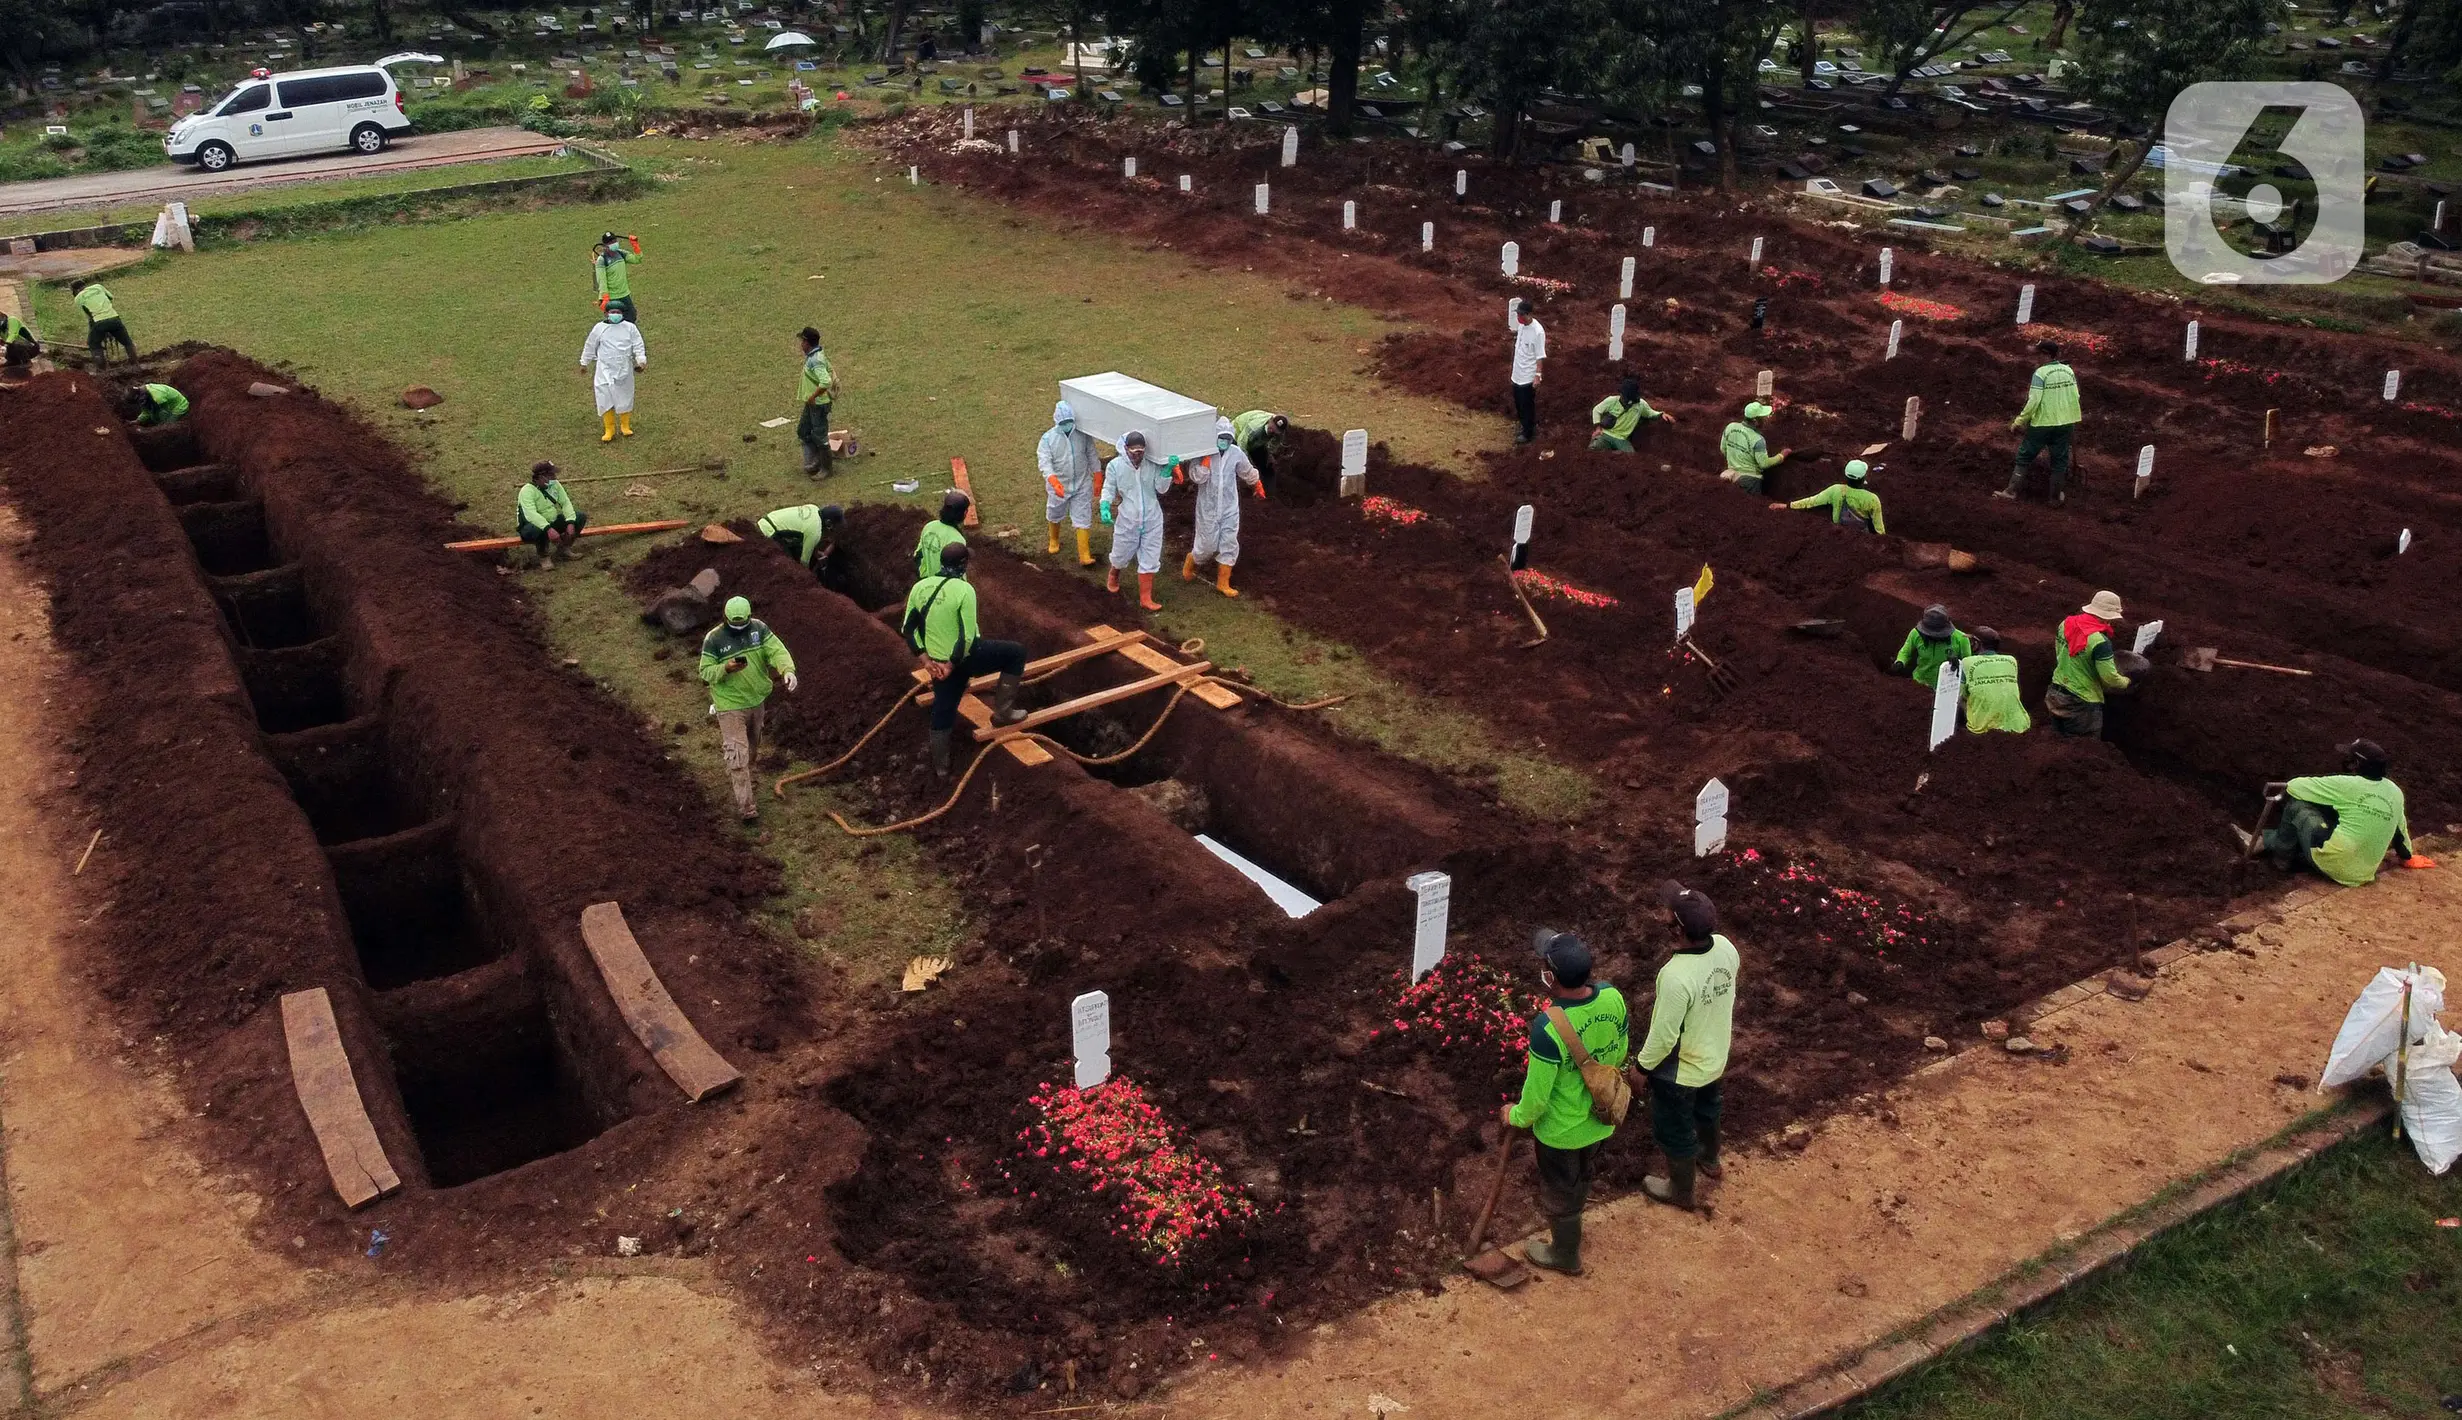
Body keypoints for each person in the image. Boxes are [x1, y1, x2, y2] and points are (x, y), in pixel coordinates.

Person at [1501, 927, 1629, 1275]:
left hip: (1561, 1133)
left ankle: (1565, 1253)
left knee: (1559, 1192)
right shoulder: (1613, 997)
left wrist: (1513, 1116)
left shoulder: (1548, 1029)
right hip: (1601, 1120)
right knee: (1583, 1175)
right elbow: (1620, 1051)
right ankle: (1575, 1211)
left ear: (1550, 977)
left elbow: (1537, 1100)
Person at [1635, 881, 1739, 1212]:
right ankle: (1710, 1160)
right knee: (1708, 1108)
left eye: (1668, 914)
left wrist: (1641, 1069)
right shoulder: (1725, 947)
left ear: (1676, 929)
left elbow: (1664, 1035)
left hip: (1682, 1070)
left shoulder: (1675, 975)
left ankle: (1680, 1191)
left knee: (1675, 1127)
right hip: (1715, 1055)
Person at [904, 543, 1029, 778]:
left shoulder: (920, 587)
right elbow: (967, 635)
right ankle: (1003, 713)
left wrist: (927, 662)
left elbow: (908, 629)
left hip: (937, 662)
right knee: (1016, 653)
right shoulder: (964, 590)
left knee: (944, 708)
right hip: (963, 658)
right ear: (963, 565)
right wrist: (952, 665)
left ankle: (942, 767)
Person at [2239, 739, 2434, 885]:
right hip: (2363, 873)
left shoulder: (2347, 784)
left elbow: (2294, 786)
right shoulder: (2395, 792)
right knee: (2334, 818)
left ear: (2357, 764)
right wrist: (2407, 859)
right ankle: (2277, 843)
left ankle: (2278, 858)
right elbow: (2400, 832)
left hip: (2333, 864)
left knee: (2297, 806)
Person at [699, 596, 797, 821]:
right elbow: (705, 673)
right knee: (738, 755)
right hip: (729, 706)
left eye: (743, 625)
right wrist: (725, 668)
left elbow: (776, 651)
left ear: (750, 617)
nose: (739, 630)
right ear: (725, 619)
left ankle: (745, 777)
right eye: (734, 626)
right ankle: (747, 808)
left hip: (756, 702)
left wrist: (787, 670)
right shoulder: (713, 639)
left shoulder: (759, 629)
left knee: (752, 751)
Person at [1183, 416, 1263, 598]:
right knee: (1206, 547)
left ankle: (1223, 582)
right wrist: (1204, 463)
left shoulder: (1235, 453)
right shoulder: (1203, 454)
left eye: (1227, 439)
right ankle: (1191, 560)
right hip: (1208, 509)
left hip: (1229, 507)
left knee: (1229, 543)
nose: (1224, 442)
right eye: (1221, 438)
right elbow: (1197, 478)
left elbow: (1247, 470)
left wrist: (1257, 484)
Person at [1995, 338, 2083, 504]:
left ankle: (2011, 491)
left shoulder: (2040, 374)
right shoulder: (2068, 371)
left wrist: (2019, 421)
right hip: (2065, 424)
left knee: (2025, 455)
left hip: (2042, 424)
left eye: (2038, 355)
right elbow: (2076, 396)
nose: (2035, 359)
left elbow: (2034, 401)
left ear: (2046, 355)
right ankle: (2055, 499)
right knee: (2060, 461)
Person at [1100, 430, 1173, 612]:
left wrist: (1167, 471)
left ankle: (1145, 598)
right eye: (1134, 452)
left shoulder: (1151, 464)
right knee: (1121, 553)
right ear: (1126, 449)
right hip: (1128, 519)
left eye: (1141, 452)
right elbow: (1109, 487)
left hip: (1152, 518)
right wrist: (1105, 505)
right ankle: (1114, 574)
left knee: (1151, 555)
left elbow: (1161, 489)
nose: (1138, 456)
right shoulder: (1115, 466)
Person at [2047, 589, 2131, 738]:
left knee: (2057, 743)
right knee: (2084, 750)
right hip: (2081, 703)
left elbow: (2059, 651)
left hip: (2056, 693)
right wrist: (2126, 682)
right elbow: (2109, 678)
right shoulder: (2100, 642)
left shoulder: (2065, 624)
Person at [1039, 400, 1100, 566]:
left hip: (1081, 482)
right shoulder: (1047, 439)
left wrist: (1098, 478)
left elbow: (1092, 455)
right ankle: (1054, 539)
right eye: (1063, 423)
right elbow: (1045, 463)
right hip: (1059, 484)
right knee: (1055, 511)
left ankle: (1084, 554)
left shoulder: (1082, 435)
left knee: (1083, 515)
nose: (1066, 425)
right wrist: (1054, 481)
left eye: (1069, 422)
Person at [578, 309, 647, 442]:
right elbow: (590, 345)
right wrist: (584, 362)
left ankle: (625, 426)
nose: (615, 315)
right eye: (612, 312)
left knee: (625, 396)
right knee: (604, 397)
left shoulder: (630, 328)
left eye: (618, 312)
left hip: (623, 368)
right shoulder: (599, 328)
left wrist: (641, 361)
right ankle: (609, 429)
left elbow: (638, 344)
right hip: (604, 369)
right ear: (606, 314)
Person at [1771, 458, 1883, 532]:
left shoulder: (1836, 490)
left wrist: (1787, 506)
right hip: (1862, 539)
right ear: (1863, 477)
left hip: (1839, 533)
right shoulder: (1872, 499)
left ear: (1846, 476)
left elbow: (1811, 501)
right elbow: (1879, 529)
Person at [758, 502, 847, 590]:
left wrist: (815, 552)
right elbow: (804, 562)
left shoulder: (814, 508)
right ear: (828, 523)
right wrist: (808, 579)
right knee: (788, 564)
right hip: (768, 531)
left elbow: (806, 532)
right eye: (835, 526)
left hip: (768, 521)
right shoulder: (815, 533)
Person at [1958, 627, 2031, 734]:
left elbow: (1960, 696)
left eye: (1972, 641)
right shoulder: (2011, 661)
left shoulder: (1967, 662)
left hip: (1982, 728)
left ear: (1977, 644)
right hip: (2018, 726)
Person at [516, 460, 587, 567]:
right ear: (540, 477)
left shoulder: (555, 485)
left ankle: (564, 549)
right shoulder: (526, 491)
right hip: (530, 528)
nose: (554, 478)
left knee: (580, 517)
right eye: (551, 475)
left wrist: (570, 522)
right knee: (538, 528)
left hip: (551, 522)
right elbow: (531, 515)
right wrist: (548, 529)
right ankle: (543, 556)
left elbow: (565, 502)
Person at [1891, 604, 1972, 689]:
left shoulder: (1961, 638)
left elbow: (1968, 665)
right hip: (1919, 684)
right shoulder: (1915, 633)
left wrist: (1958, 663)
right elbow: (1905, 652)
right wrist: (1900, 662)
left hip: (1947, 687)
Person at [1719, 402, 1790, 494]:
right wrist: (1781, 456)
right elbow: (1764, 464)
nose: (1765, 420)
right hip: (1749, 481)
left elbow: (1723, 449)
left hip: (1730, 475)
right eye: (1763, 418)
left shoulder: (1730, 427)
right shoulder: (1758, 439)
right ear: (1755, 421)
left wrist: (1735, 460)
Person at [1589, 376, 1673, 451]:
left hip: (1622, 439)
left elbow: (1650, 413)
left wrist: (1662, 414)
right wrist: (1598, 428)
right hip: (1606, 434)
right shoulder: (1612, 401)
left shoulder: (1640, 405)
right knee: (1595, 448)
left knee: (1630, 459)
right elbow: (1596, 410)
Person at [795, 327, 836, 475]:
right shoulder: (814, 356)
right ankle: (816, 460)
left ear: (807, 343)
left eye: (803, 341)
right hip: (812, 403)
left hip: (818, 404)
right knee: (803, 431)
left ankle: (826, 468)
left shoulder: (816, 360)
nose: (801, 345)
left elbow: (825, 382)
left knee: (820, 436)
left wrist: (813, 396)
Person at [71, 279, 135, 366]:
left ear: (76, 290)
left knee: (93, 344)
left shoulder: (78, 298)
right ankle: (135, 363)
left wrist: (97, 330)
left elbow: (89, 315)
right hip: (115, 318)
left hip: (98, 322)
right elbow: (110, 297)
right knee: (127, 342)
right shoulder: (98, 287)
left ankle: (101, 369)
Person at [1509, 298, 1547, 445]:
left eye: (1521, 314)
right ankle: (1523, 425)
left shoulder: (1538, 332)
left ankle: (1528, 432)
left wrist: (1537, 376)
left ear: (1529, 314)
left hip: (1528, 375)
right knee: (1518, 402)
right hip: (1517, 372)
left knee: (1526, 404)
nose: (1519, 317)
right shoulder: (1522, 327)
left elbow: (1539, 356)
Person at [914, 489, 969, 581]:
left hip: (926, 580)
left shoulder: (929, 526)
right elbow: (956, 571)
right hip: (944, 585)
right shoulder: (957, 538)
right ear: (964, 513)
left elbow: (918, 555)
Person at [1231, 409, 1289, 489]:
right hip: (1236, 435)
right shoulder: (1254, 428)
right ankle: (1241, 487)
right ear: (1270, 421)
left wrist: (1269, 455)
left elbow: (1274, 444)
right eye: (1271, 428)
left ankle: (1267, 490)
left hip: (1257, 441)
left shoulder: (1279, 434)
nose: (1272, 431)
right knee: (1241, 465)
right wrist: (1249, 464)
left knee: (1266, 466)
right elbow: (1241, 444)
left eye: (1275, 431)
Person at [592, 231, 642, 320]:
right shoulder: (602, 260)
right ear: (605, 245)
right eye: (611, 242)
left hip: (624, 294)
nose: (614, 243)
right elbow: (601, 280)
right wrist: (605, 297)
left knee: (631, 317)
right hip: (612, 297)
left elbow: (637, 259)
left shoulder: (621, 253)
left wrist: (635, 245)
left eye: (615, 241)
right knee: (615, 321)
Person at [119, 382, 189, 427]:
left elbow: (165, 412)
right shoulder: (144, 394)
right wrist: (136, 421)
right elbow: (146, 411)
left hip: (179, 406)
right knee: (155, 417)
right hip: (165, 406)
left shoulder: (157, 397)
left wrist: (162, 426)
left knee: (167, 425)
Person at [1, 309, 39, 374]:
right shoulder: (1, 329)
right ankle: (13, 361)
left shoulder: (12, 320)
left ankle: (27, 362)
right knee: (9, 343)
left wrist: (5, 346)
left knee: (13, 343)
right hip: (18, 347)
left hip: (31, 348)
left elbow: (13, 334)